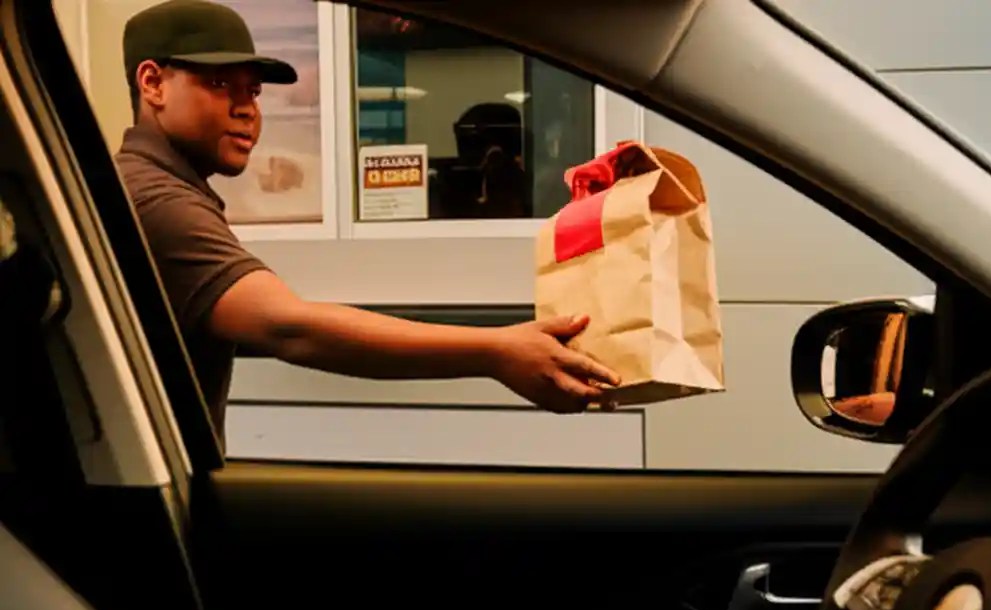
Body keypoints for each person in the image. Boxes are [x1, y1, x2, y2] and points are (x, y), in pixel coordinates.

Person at [113, 0, 619, 446]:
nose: (247, 109)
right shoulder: (157, 199)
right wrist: (495, 350)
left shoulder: (154, 186)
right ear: (153, 83)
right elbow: (287, 327)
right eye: (221, 85)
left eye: (254, 90)